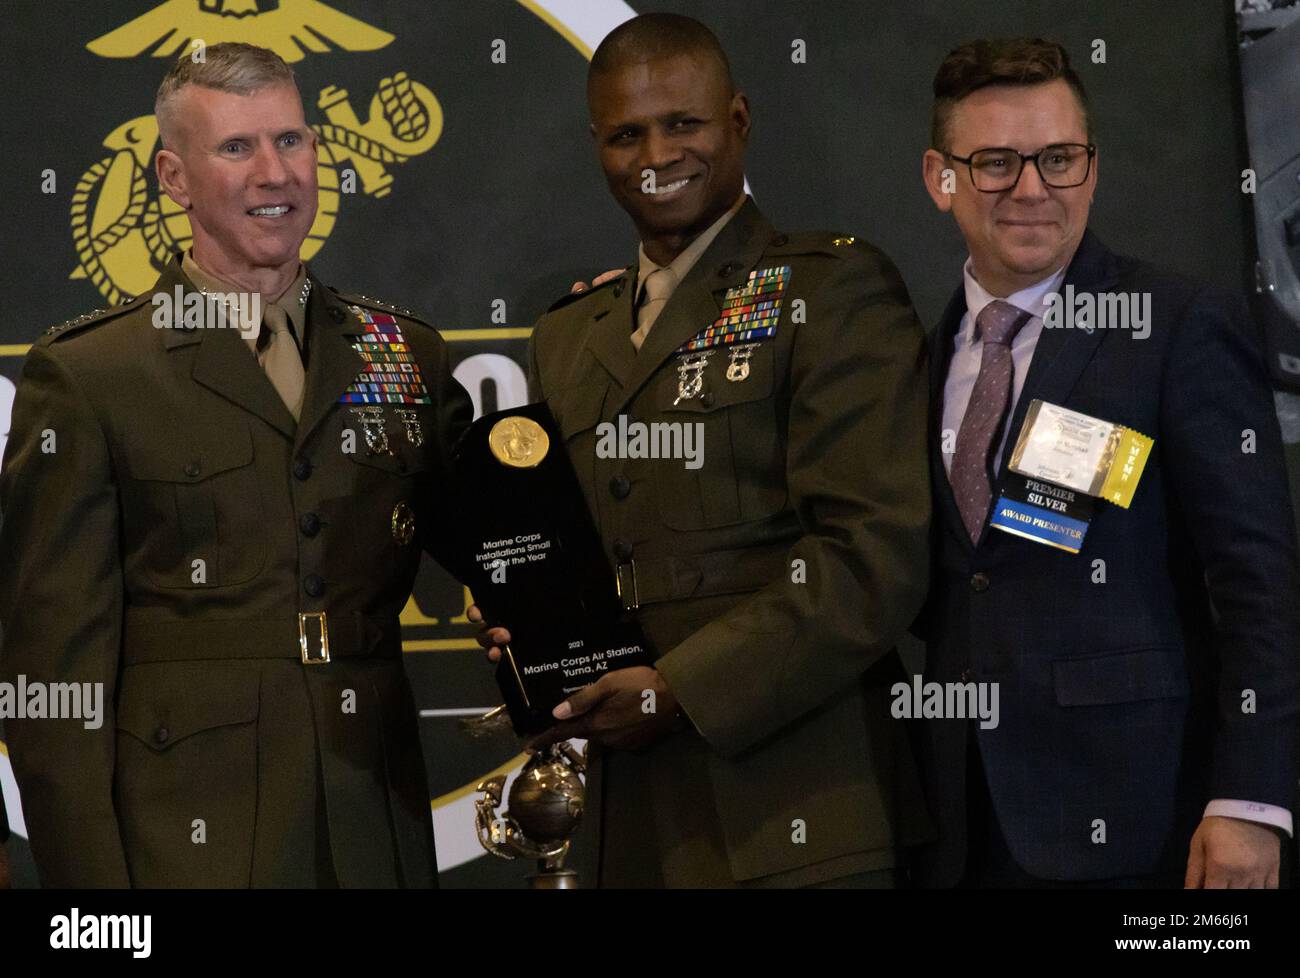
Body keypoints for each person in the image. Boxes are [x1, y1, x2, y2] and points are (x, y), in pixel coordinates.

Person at [472, 13, 933, 888]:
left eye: (682, 124)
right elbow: (577, 551)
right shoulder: (568, 335)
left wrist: (678, 687)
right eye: (626, 134)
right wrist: (521, 614)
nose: (656, 153)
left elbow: (873, 557)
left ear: (739, 121)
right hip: (630, 823)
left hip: (799, 809)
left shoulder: (833, 289)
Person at [0, 43, 471, 887]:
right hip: (184, 842)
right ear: (174, 178)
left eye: (291, 141)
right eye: (236, 148)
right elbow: (50, 684)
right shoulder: (89, 376)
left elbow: (501, 540)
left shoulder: (403, 353)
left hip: (376, 827)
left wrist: (601, 344)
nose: (274, 173)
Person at [914, 36, 1300, 887]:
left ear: (1091, 166)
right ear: (941, 178)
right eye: (995, 163)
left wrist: (1251, 800)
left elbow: (1259, 584)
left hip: (1144, 820)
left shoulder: (1174, 325)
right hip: (958, 827)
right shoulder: (917, 356)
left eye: (1058, 158)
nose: (1031, 189)